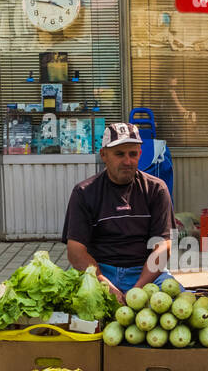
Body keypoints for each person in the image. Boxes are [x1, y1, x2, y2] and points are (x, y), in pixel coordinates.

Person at [63, 122, 174, 303]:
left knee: (181, 308)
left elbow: (163, 247)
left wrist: (137, 289)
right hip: (99, 271)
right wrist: (104, 285)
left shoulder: (156, 189)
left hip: (145, 272)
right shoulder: (84, 192)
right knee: (64, 311)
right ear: (104, 155)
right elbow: (75, 253)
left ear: (140, 154)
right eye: (119, 154)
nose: (127, 161)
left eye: (133, 154)